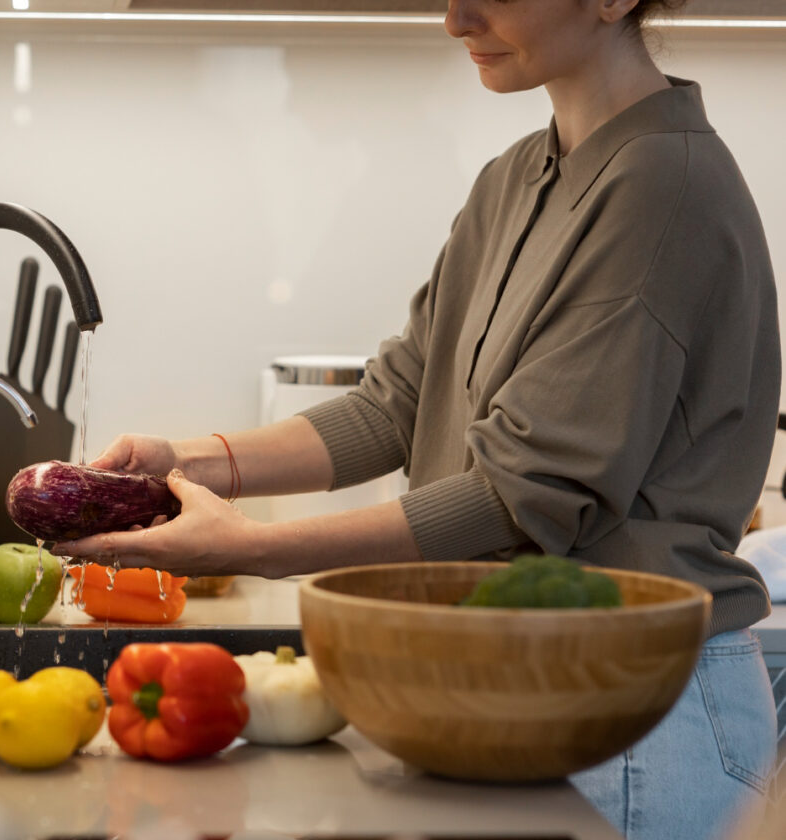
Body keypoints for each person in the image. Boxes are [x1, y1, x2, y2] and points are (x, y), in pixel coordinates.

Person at [54, 1, 781, 838]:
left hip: (642, 714)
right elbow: (397, 401)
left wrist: (252, 550)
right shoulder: (516, 177)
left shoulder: (666, 185)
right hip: (534, 683)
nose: (454, 16)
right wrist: (181, 463)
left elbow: (522, 495)